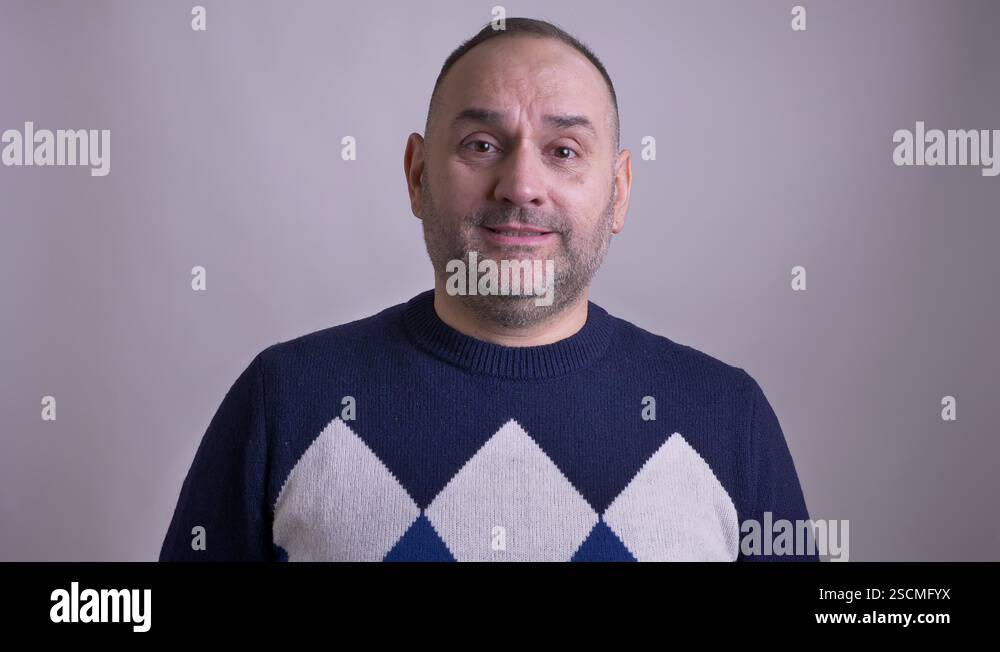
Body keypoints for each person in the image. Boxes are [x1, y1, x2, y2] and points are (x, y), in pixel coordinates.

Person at [159, 17, 816, 562]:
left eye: (563, 150)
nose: (520, 184)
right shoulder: (287, 399)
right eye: (480, 145)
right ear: (417, 175)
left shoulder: (726, 417)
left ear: (618, 193)